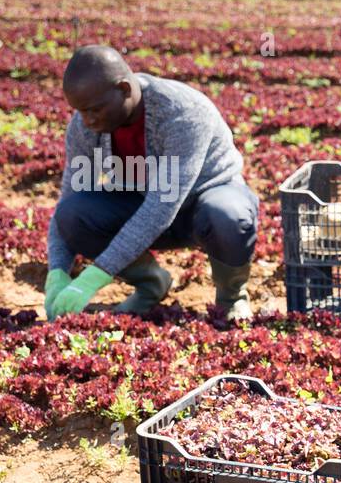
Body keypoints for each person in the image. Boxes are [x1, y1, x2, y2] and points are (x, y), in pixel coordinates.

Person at [44, 45, 257, 321]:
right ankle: (151, 283)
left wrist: (96, 275)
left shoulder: (181, 113)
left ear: (124, 89)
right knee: (72, 215)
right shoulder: (85, 126)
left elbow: (162, 205)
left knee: (228, 215)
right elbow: (71, 193)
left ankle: (231, 298)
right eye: (80, 112)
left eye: (95, 110)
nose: (87, 120)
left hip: (202, 205)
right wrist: (57, 271)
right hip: (144, 204)